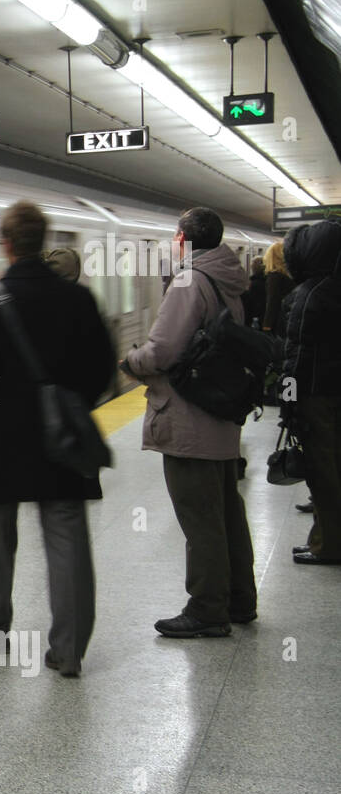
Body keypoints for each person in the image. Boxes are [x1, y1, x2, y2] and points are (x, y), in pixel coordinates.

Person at [0, 201, 116, 676]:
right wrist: (70, 405)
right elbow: (103, 368)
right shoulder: (78, 299)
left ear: (6, 244)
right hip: (60, 441)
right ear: (44, 243)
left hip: (1, 445)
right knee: (67, 537)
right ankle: (67, 651)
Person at [121, 207, 256, 636]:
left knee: (200, 518)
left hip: (189, 414)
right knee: (227, 512)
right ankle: (239, 599)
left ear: (182, 239)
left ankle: (207, 610)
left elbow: (163, 350)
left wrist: (131, 361)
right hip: (219, 412)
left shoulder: (188, 280)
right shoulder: (225, 276)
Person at [281, 220, 341, 565]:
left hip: (316, 396)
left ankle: (326, 545)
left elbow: (295, 358)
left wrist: (288, 404)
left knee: (323, 474)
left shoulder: (310, 295)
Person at [262, 241, 294, 337]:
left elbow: (272, 301)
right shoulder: (290, 275)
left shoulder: (274, 276)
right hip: (290, 318)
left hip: (279, 322)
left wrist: (266, 326)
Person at [243, 255, 266, 328]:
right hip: (265, 317)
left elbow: (252, 303)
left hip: (257, 319)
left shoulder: (255, 284)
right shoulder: (268, 281)